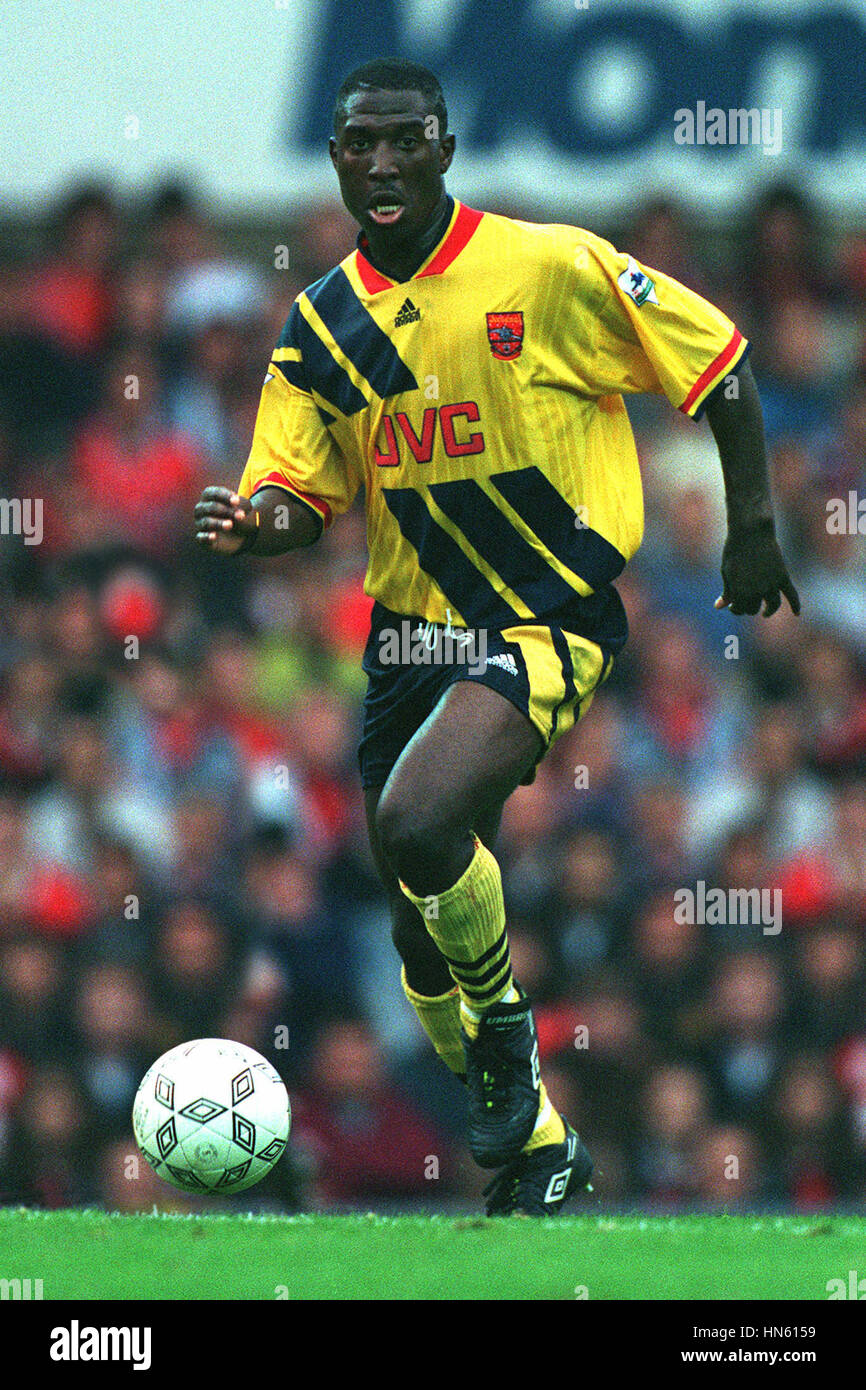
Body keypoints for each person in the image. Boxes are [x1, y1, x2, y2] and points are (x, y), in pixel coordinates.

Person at [194, 58, 799, 1216]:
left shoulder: (547, 263)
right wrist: (252, 523)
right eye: (354, 144)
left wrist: (752, 527)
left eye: (399, 140)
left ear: (442, 146)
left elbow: (717, 361)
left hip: (547, 611)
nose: (377, 163)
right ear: (332, 158)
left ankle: (509, 1033)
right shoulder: (321, 323)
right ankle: (542, 1148)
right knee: (417, 929)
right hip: (407, 634)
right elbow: (295, 492)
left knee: (420, 821)